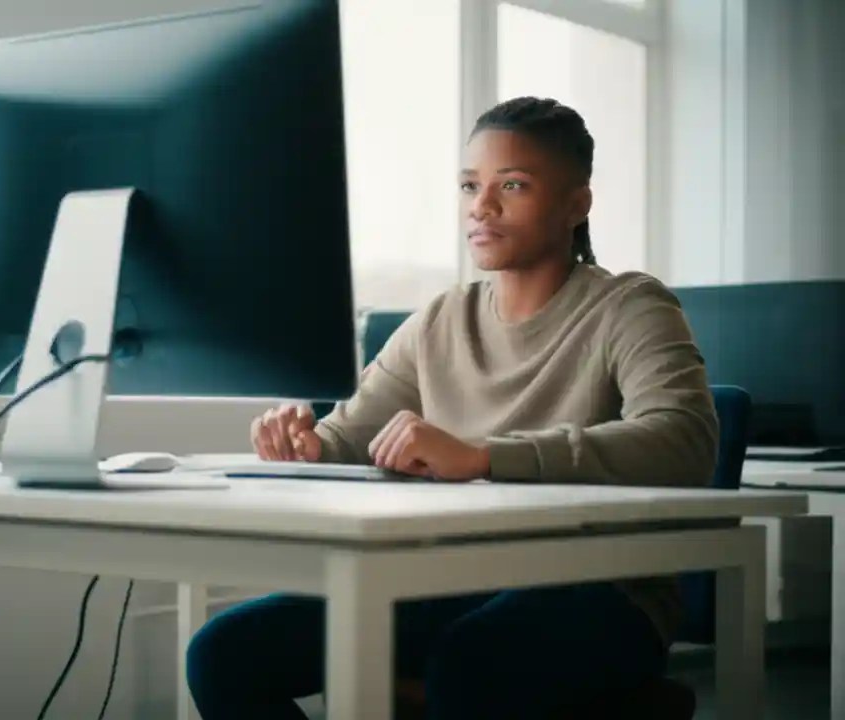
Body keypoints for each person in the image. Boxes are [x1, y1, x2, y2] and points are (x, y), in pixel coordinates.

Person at [185, 97, 720, 719]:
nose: (481, 207)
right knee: (225, 653)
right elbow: (346, 435)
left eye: (511, 186)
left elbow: (684, 440)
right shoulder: (440, 319)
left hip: (604, 590)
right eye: (471, 185)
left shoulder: (631, 306)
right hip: (456, 578)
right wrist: (308, 444)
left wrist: (484, 457)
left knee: (471, 666)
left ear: (578, 203)